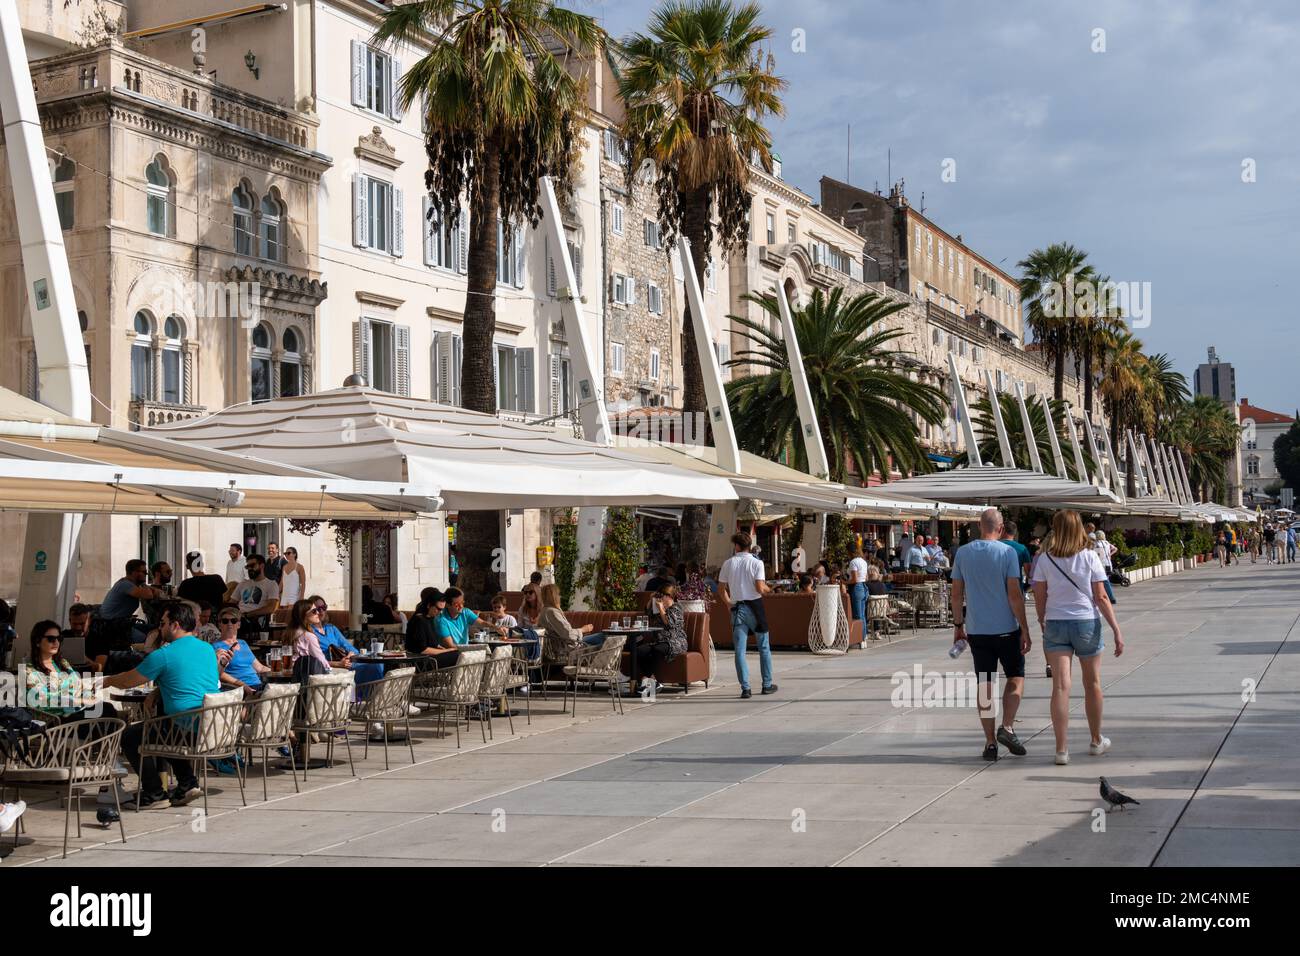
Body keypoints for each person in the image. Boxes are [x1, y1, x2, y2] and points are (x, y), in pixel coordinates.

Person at [102, 601, 219, 808]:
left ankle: (155, 794)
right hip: (210, 726)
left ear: (175, 625)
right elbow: (189, 678)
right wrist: (157, 691)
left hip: (185, 728)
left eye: (162, 623)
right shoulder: (207, 649)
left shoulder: (164, 654)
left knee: (130, 737)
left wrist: (107, 680)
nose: (159, 627)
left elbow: (129, 680)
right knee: (160, 727)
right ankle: (187, 783)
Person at [1033, 510, 1124, 766]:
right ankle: (1096, 740)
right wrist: (1116, 629)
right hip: (1086, 622)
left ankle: (1061, 749)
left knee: (1061, 686)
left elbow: (1040, 596)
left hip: (1056, 623)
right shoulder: (1089, 557)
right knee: (1092, 683)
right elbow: (1102, 597)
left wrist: (1043, 620)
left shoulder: (1044, 559)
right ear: (1079, 529)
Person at [950, 508, 1032, 762]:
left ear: (978, 526)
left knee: (985, 685)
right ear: (1001, 528)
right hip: (1006, 628)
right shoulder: (1007, 552)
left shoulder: (963, 553)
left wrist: (958, 625)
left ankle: (990, 743)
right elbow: (1014, 594)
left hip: (977, 631)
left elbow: (955, 594)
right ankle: (1007, 726)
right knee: (1016, 677)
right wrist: (1025, 628)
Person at [718, 532, 776, 699]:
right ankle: (766, 684)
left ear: (736, 546)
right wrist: (769, 589)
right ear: (749, 545)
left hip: (738, 608)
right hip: (755, 607)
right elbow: (759, 587)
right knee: (763, 647)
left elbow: (721, 589)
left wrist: (729, 603)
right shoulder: (756, 563)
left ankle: (745, 688)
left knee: (739, 650)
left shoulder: (728, 563)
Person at [300, 596, 384, 687]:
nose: (321, 611)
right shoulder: (309, 633)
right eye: (317, 609)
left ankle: (372, 695)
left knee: (378, 662)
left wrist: (351, 654)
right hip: (335, 665)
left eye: (324, 608)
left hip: (347, 660)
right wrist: (340, 663)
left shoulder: (331, 628)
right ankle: (370, 696)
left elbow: (347, 646)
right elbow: (316, 660)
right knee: (374, 666)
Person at [25, 620, 94, 719]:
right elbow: (41, 700)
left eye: (59, 638)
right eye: (51, 639)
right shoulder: (29, 671)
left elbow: (80, 686)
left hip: (76, 710)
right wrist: (79, 700)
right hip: (55, 719)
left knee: (107, 708)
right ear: (37, 642)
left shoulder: (63, 663)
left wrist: (88, 696)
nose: (56, 642)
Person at [99, 559, 167, 646]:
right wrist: (145, 585)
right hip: (112, 626)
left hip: (123, 623)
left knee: (157, 629)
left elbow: (158, 592)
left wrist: (148, 587)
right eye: (144, 572)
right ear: (134, 573)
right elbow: (148, 595)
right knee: (151, 639)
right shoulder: (125, 585)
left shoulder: (130, 584)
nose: (146, 575)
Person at [637, 584, 689, 692]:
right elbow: (647, 613)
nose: (660, 598)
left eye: (663, 595)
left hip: (676, 642)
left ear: (670, 596)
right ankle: (652, 680)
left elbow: (669, 624)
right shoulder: (659, 608)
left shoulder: (677, 608)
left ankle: (648, 681)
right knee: (639, 651)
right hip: (660, 641)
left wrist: (661, 608)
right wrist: (651, 600)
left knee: (657, 649)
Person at [538, 583, 604, 660]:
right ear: (554, 596)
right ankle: (600, 666)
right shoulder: (551, 612)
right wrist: (583, 629)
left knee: (600, 637)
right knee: (602, 637)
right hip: (565, 649)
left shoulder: (545, 611)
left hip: (562, 644)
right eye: (558, 594)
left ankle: (596, 665)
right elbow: (568, 635)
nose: (560, 597)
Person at [213, 609, 270, 697]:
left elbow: (260, 668)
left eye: (233, 621)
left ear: (238, 624)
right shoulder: (216, 646)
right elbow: (219, 674)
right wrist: (242, 685)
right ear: (219, 625)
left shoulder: (242, 643)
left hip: (258, 684)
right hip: (237, 688)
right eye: (225, 621)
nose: (229, 624)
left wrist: (278, 672)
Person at [406, 588, 462, 667]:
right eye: (438, 609)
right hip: (422, 660)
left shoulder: (430, 619)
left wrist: (447, 650)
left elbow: (434, 644)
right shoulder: (419, 620)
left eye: (442, 610)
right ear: (429, 605)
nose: (440, 612)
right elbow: (423, 650)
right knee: (459, 656)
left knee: (462, 653)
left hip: (432, 658)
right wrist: (447, 651)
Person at [232, 554, 280, 631]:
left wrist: (247, 614)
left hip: (255, 620)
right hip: (237, 618)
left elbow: (271, 608)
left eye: (252, 565)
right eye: (248, 567)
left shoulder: (271, 584)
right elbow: (231, 603)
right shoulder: (243, 584)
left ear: (262, 566)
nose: (249, 569)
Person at [1000, 521, 1032, 592]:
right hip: (1016, 588)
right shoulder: (1022, 548)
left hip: (996, 590)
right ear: (1015, 532)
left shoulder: (994, 546)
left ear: (1003, 530)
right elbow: (1029, 572)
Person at [846, 545, 869, 625]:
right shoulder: (864, 561)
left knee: (857, 616)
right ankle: (863, 636)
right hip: (864, 586)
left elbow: (854, 580)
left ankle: (859, 636)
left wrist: (844, 582)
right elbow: (866, 578)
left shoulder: (853, 562)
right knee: (862, 616)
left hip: (857, 587)